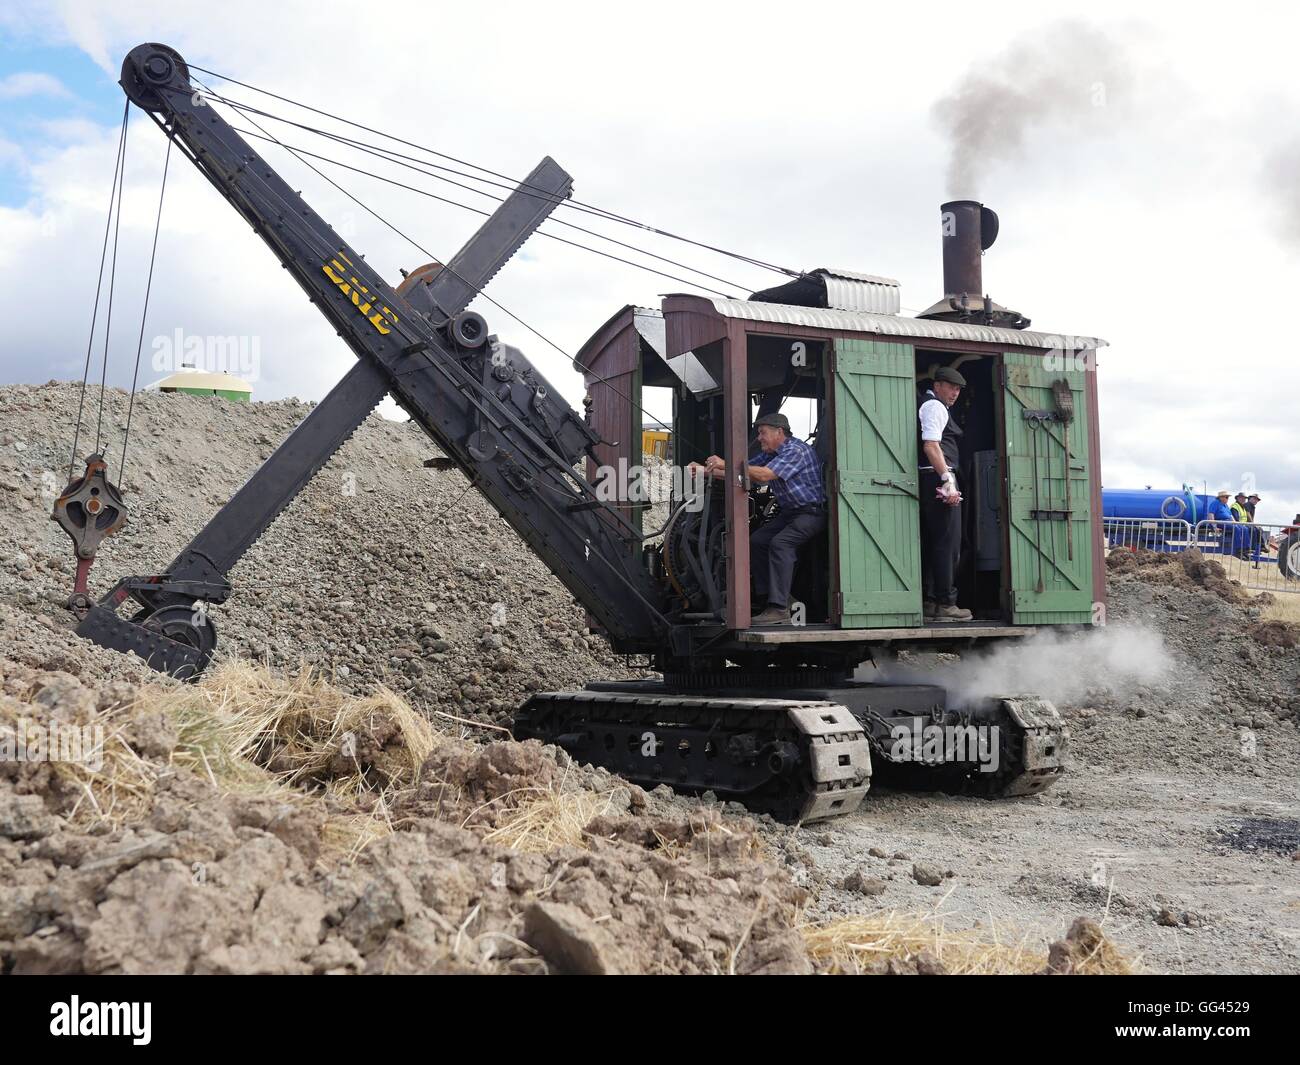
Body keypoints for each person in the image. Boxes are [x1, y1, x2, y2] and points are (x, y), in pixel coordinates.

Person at [690, 412, 826, 626]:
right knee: (757, 541)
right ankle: (772, 600)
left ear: (779, 432)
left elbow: (762, 475)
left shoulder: (795, 451)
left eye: (763, 433)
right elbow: (743, 475)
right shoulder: (771, 454)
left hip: (811, 513)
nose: (759, 438)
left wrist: (723, 463)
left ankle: (779, 608)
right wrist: (705, 471)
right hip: (791, 513)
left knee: (780, 544)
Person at [918, 367, 972, 622]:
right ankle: (946, 603)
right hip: (938, 478)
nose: (955, 393)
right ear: (937, 385)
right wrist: (947, 480)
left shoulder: (934, 405)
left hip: (933, 479)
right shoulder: (934, 407)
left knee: (937, 543)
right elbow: (931, 446)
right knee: (948, 545)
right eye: (951, 387)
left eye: (958, 389)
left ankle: (932, 601)